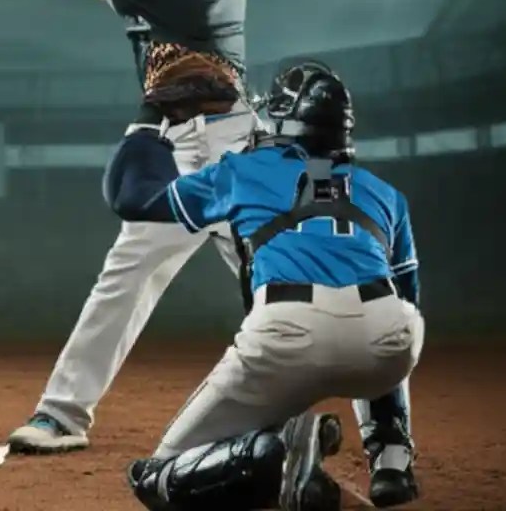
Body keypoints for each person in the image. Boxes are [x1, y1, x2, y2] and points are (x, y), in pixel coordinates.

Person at [9, 0, 257, 454]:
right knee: (127, 275)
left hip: (226, 149)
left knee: (278, 280)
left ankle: (349, 419)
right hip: (182, 143)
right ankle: (61, 412)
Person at [102, 61, 425, 511]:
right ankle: (391, 460)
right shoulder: (385, 193)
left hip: (287, 337)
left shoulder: (244, 171)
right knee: (384, 302)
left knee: (159, 476)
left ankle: (276, 455)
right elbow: (408, 297)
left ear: (281, 119)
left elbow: (130, 196)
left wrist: (148, 122)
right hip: (390, 344)